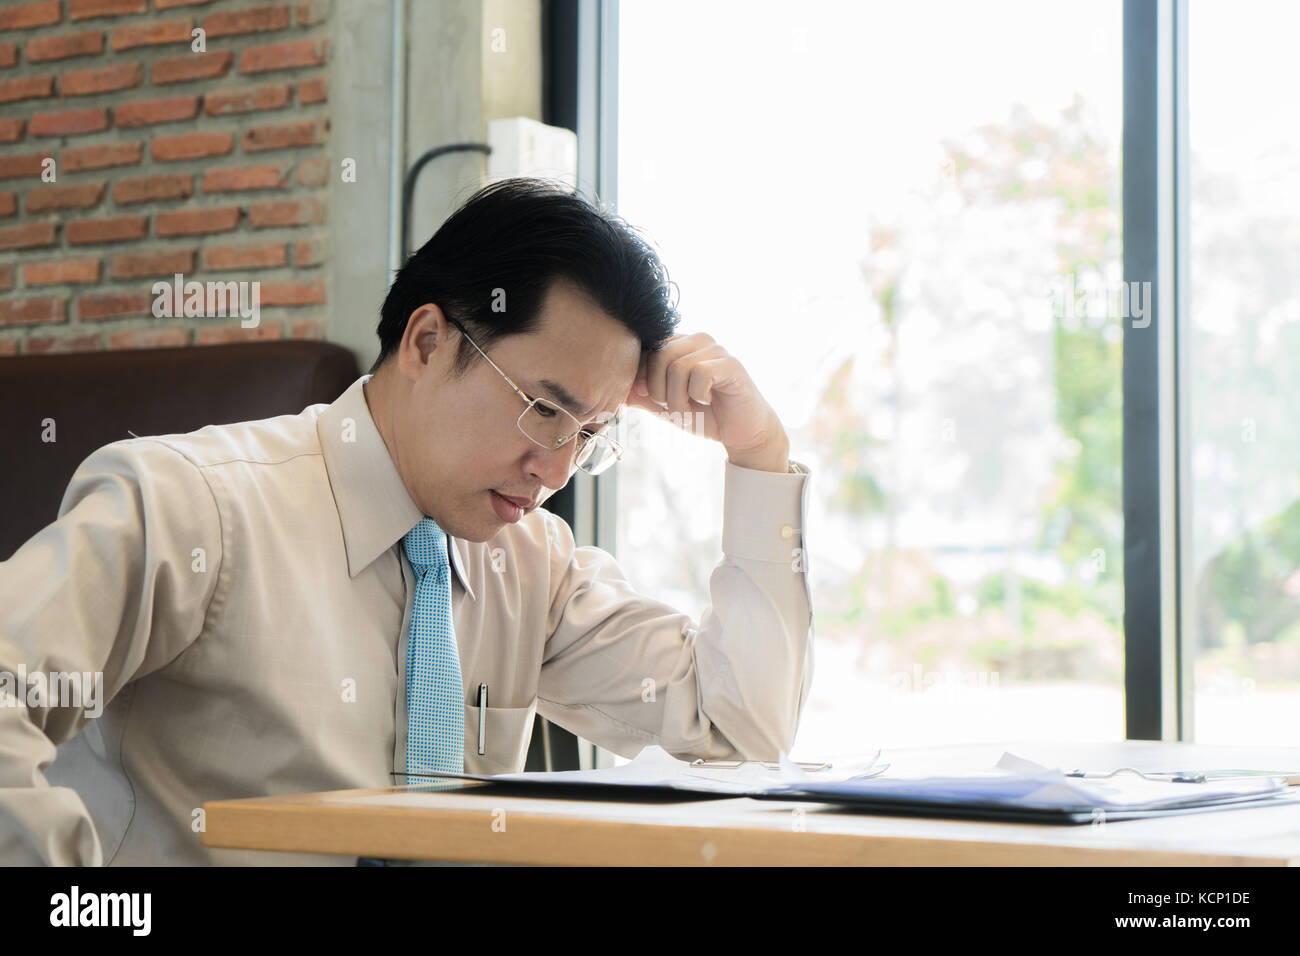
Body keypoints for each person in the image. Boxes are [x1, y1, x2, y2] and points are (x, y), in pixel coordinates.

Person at [0, 177, 814, 866]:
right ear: (427, 342)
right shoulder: (191, 504)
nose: (557, 470)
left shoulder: (532, 565)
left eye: (589, 438)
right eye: (543, 410)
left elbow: (738, 728)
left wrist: (759, 453)